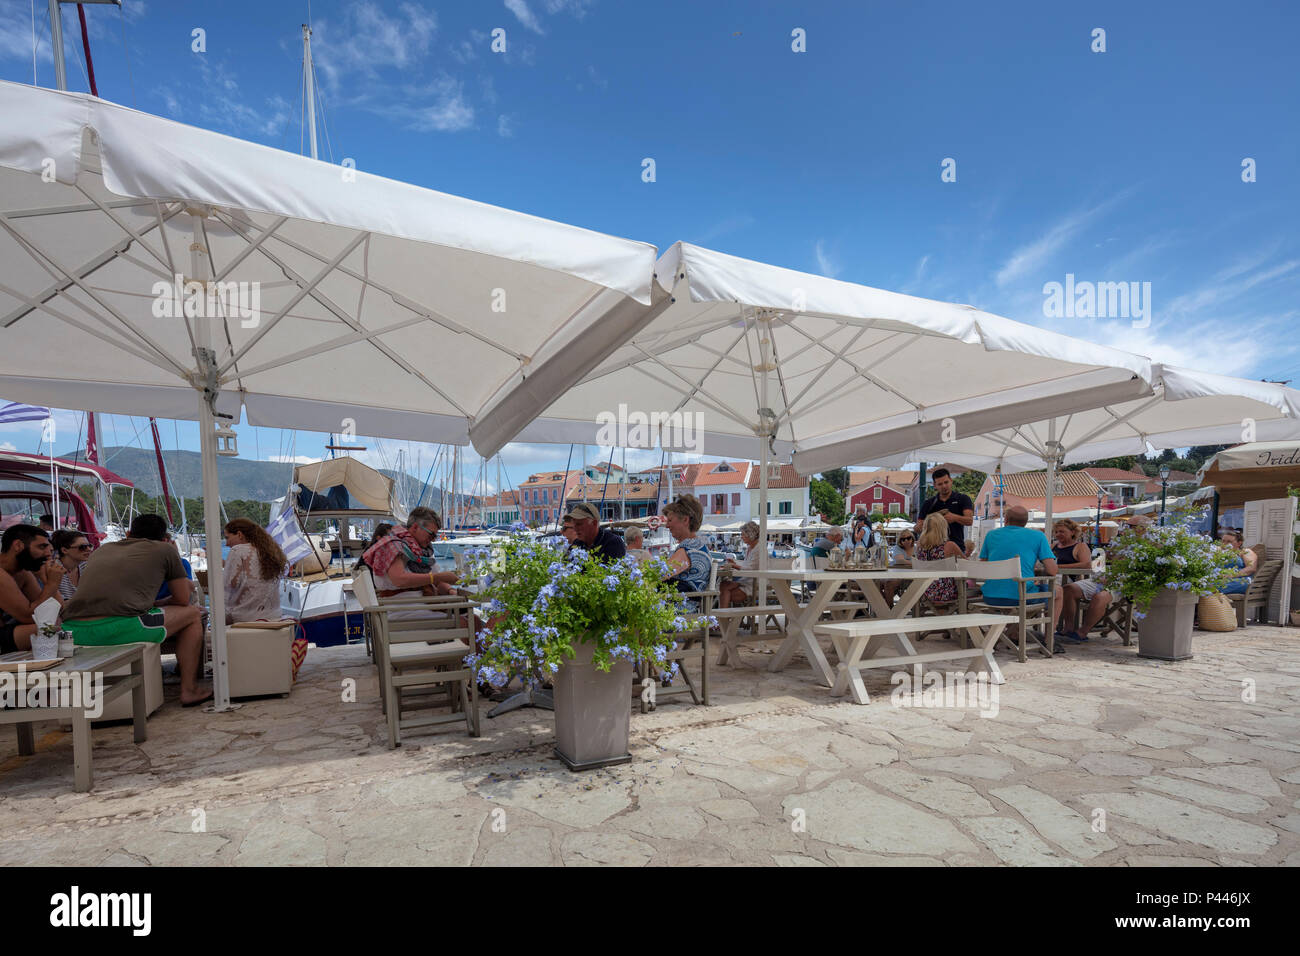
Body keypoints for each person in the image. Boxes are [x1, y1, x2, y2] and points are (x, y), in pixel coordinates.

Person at [60, 514, 210, 707]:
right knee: (192, 614)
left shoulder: (101, 550)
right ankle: (189, 689)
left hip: (73, 631)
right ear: (164, 538)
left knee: (170, 612)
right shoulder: (165, 549)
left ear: (129, 533)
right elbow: (182, 599)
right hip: (119, 628)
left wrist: (154, 603)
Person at [978, 505, 1063, 635]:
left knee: (1012, 588)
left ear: (1006, 519)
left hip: (991, 596)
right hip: (1021, 597)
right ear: (1025, 522)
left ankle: (1013, 632)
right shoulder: (1038, 536)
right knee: (1059, 591)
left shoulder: (991, 535)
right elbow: (1052, 571)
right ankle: (1049, 637)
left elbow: (983, 566)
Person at [360, 507, 459, 598]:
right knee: (466, 616)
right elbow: (399, 579)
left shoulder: (423, 550)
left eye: (435, 536)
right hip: (403, 607)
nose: (433, 540)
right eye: (431, 534)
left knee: (469, 616)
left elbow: (437, 581)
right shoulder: (394, 545)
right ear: (415, 527)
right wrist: (436, 577)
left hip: (419, 604)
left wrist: (450, 590)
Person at [0, 524, 63, 653]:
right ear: (18, 545)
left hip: (8, 632)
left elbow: (58, 610)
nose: (47, 554)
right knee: (47, 627)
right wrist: (51, 585)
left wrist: (46, 581)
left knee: (53, 624)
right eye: (42, 547)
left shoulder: (22, 573)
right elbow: (28, 616)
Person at [223, 518, 288, 623]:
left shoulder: (237, 550)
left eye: (227, 538)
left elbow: (228, 588)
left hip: (246, 618)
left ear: (239, 534)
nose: (226, 543)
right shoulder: (267, 551)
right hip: (274, 615)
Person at [660, 495, 711, 606]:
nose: (667, 525)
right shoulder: (698, 545)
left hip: (679, 610)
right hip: (684, 605)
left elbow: (661, 574)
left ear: (685, 520)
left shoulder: (690, 547)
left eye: (670, 520)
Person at [1053, 519, 1095, 638]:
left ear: (1072, 532)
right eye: (1056, 532)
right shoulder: (1054, 546)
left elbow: (1086, 564)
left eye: (1062, 531)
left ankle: (1068, 626)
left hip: (1069, 580)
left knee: (1059, 588)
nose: (1058, 534)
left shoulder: (1080, 546)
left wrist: (1058, 567)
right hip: (1053, 577)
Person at [915, 468, 974, 550]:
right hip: (933, 550)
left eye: (946, 482)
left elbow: (970, 521)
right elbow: (918, 527)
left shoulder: (963, 499)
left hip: (956, 548)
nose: (944, 486)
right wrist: (923, 525)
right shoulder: (929, 503)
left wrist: (954, 518)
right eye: (940, 484)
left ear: (951, 481)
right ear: (935, 486)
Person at [915, 512, 962, 605]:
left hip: (923, 591)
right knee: (975, 589)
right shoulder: (949, 546)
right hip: (944, 593)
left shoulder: (919, 546)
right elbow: (967, 565)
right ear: (942, 528)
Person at [718, 521, 761, 609]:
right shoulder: (750, 548)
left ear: (750, 534)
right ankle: (726, 618)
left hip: (754, 584)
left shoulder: (759, 549)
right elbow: (747, 565)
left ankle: (724, 619)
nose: (741, 537)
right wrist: (735, 563)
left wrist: (734, 566)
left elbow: (751, 569)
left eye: (743, 534)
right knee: (723, 585)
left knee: (724, 592)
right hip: (747, 580)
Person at [51, 528, 92, 603]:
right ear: (64, 550)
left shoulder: (85, 566)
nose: (89, 549)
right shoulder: (54, 569)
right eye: (82, 547)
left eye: (89, 545)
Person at [1216, 529, 1257, 595]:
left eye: (1229, 542)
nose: (1224, 544)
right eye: (1223, 541)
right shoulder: (1219, 552)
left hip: (1240, 580)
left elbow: (1251, 568)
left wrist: (1230, 575)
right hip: (1222, 580)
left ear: (1239, 543)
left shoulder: (1245, 552)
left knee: (1214, 585)